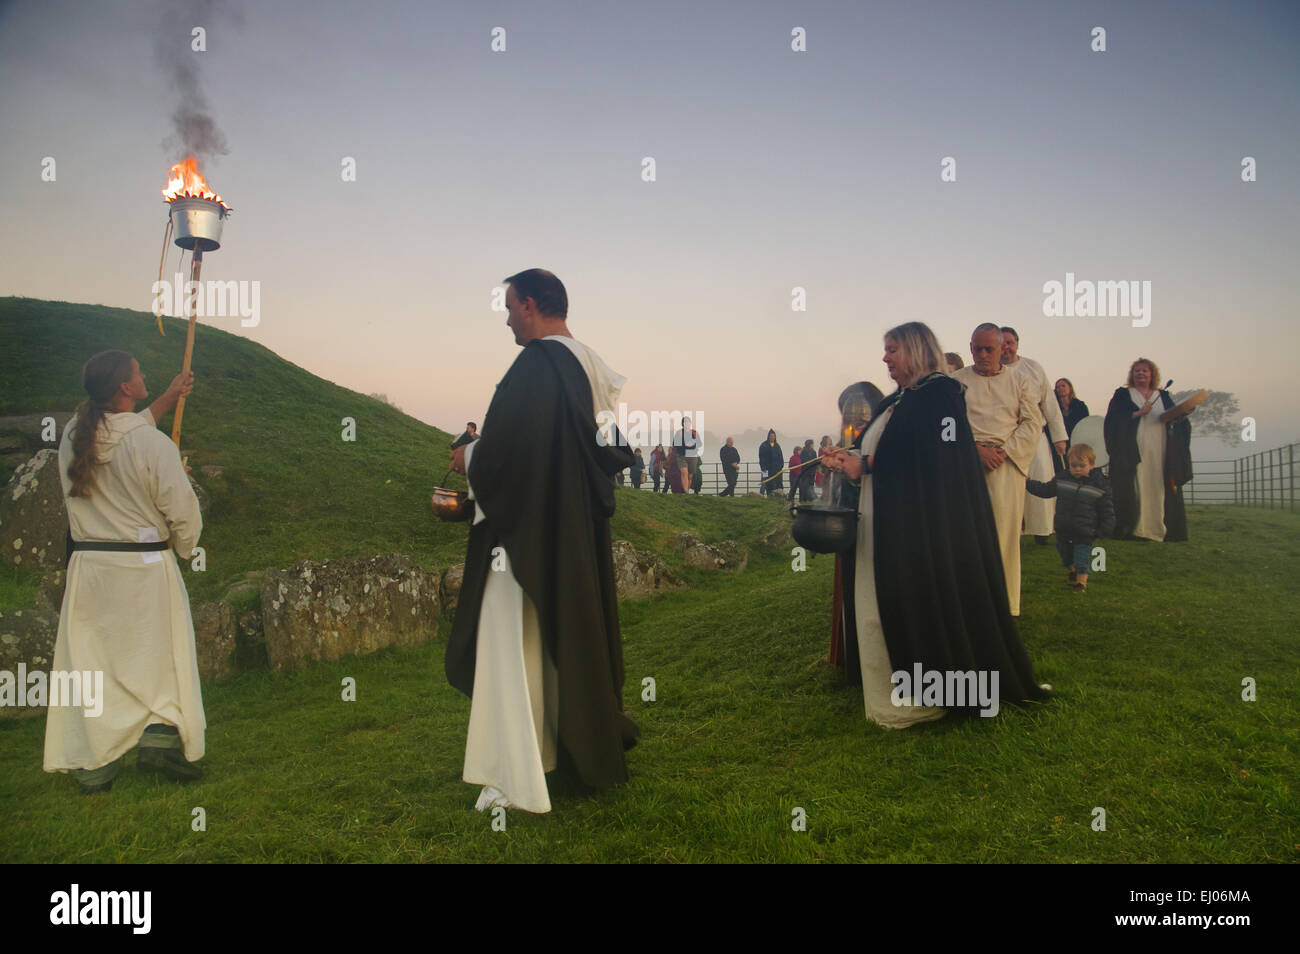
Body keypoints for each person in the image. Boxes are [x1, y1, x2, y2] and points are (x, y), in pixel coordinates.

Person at [446, 269, 639, 814]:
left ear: (531, 305)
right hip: (572, 529)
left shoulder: (538, 363)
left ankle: (514, 774)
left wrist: (472, 456)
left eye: (509, 307)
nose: (507, 318)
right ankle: (558, 750)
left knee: (510, 638)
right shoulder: (589, 366)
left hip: (525, 536)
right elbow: (568, 448)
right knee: (560, 638)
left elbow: (515, 453)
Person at [822, 323, 1049, 727]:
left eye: (892, 350)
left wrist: (867, 464)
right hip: (886, 515)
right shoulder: (902, 399)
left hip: (917, 524)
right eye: (885, 350)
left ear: (914, 350)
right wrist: (851, 458)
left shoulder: (939, 395)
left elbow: (935, 458)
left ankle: (931, 690)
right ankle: (892, 682)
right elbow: (893, 450)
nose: (885, 358)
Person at [45, 351, 203, 793]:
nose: (145, 375)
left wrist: (169, 396)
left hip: (91, 568)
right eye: (139, 373)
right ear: (125, 389)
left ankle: (94, 763)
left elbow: (124, 434)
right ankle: (160, 740)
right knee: (159, 656)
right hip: (146, 567)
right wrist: (185, 546)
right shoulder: (154, 446)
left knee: (96, 662)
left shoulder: (76, 434)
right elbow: (182, 512)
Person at [951, 324, 1043, 617]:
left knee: (1004, 533)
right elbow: (947, 426)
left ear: (1003, 348)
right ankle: (967, 605)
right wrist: (975, 451)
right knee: (965, 534)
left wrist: (1003, 453)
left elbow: (1032, 422)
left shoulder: (1020, 381)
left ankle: (1003, 606)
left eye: (988, 349)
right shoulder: (955, 382)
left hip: (1005, 464)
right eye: (976, 348)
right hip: (966, 463)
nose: (981, 354)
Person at [828, 381, 883, 687]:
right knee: (851, 595)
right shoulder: (845, 445)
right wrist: (836, 468)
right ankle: (854, 663)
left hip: (877, 527)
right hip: (849, 530)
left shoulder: (880, 443)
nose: (854, 427)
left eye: (861, 421)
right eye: (850, 422)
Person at [1102, 358, 1191, 542]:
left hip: (1159, 449)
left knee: (1158, 484)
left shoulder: (1163, 396)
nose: (1141, 374)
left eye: (1145, 371)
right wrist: (1137, 413)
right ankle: (1135, 529)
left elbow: (1175, 420)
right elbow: (1112, 421)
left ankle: (1160, 528)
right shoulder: (1123, 394)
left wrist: (1181, 415)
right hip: (1132, 451)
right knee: (1135, 484)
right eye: (1137, 371)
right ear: (1132, 375)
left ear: (1152, 374)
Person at [1000, 327, 1068, 544]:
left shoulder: (1033, 367)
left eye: (1010, 342)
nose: (1006, 347)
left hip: (1034, 433)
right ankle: (1011, 529)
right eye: (1002, 343)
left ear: (1017, 344)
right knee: (1009, 483)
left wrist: (1059, 437)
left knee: (1040, 477)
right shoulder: (993, 370)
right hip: (1006, 435)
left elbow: (1049, 401)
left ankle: (1041, 529)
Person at [1026, 443, 1115, 593]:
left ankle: (1081, 583)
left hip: (1085, 531)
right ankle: (1072, 569)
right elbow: (1045, 490)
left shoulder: (1099, 486)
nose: (1077, 469)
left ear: (1091, 465)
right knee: (1065, 556)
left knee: (1082, 557)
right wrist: (1026, 482)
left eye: (1082, 465)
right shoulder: (1062, 480)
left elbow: (1107, 510)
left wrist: (1104, 530)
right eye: (1074, 466)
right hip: (1063, 529)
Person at [1053, 379, 1089, 474]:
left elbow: (1085, 424)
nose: (1060, 388)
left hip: (1076, 443)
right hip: (1059, 446)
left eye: (1063, 386)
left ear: (1070, 387)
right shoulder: (1054, 407)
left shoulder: (1080, 405)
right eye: (1057, 387)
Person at [673, 416, 701, 495]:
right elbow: (675, 444)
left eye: (688, 422)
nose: (687, 423)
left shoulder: (694, 432)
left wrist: (692, 445)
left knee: (690, 476)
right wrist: (685, 446)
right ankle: (686, 491)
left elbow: (699, 443)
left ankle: (687, 491)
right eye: (685, 422)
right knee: (684, 472)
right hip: (681, 456)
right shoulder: (679, 433)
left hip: (692, 456)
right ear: (682, 424)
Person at [758, 429, 783, 497]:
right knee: (765, 483)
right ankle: (761, 496)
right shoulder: (764, 445)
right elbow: (761, 457)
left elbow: (780, 457)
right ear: (768, 436)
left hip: (776, 469)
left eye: (773, 436)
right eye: (771, 436)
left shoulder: (777, 446)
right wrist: (763, 468)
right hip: (766, 469)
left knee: (776, 483)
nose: (772, 437)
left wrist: (780, 467)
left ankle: (774, 497)